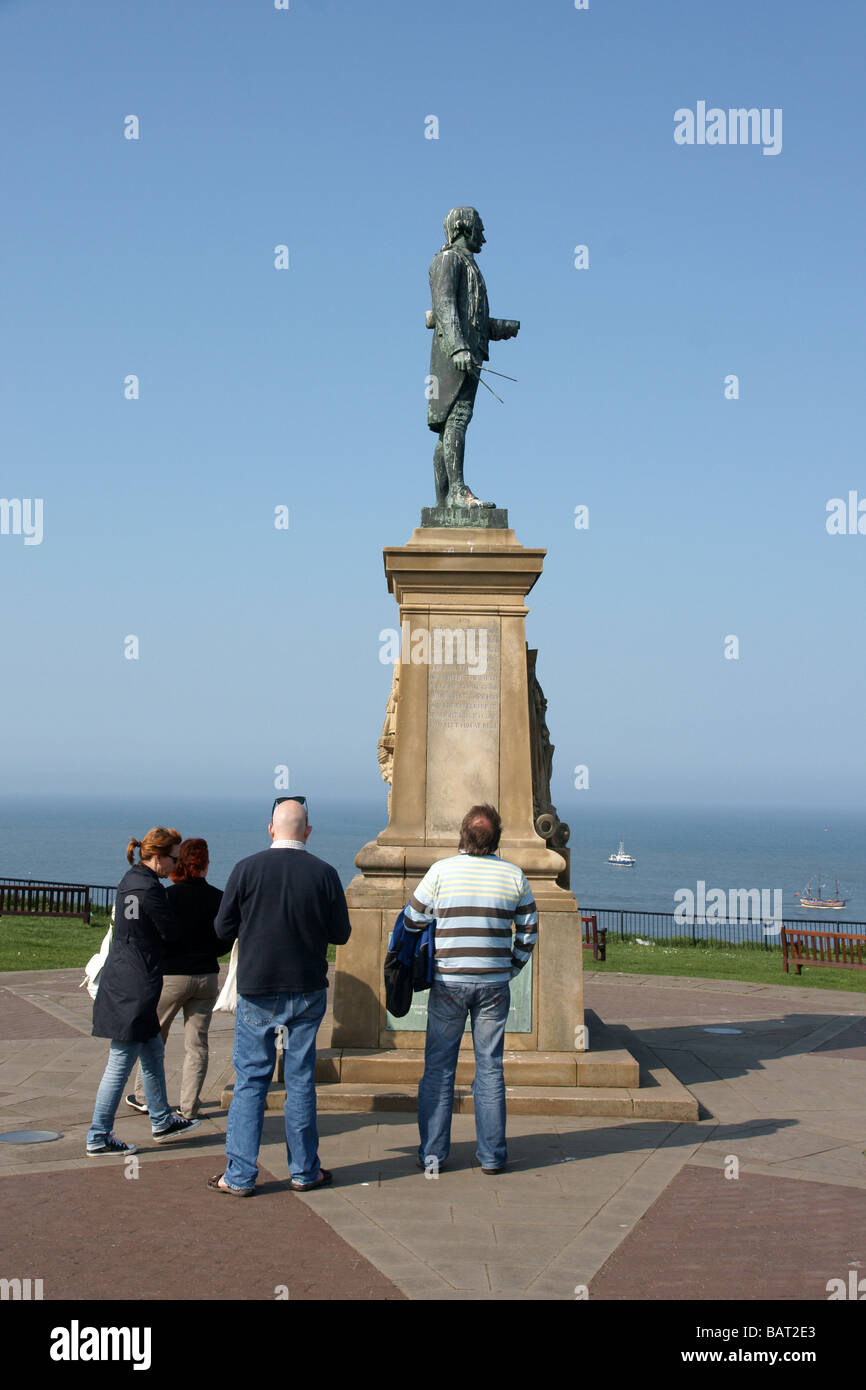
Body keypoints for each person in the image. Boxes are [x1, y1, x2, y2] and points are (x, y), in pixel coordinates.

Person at [208, 797, 351, 1196]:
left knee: (251, 1081)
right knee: (301, 1080)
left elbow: (222, 929)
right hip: (306, 988)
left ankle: (238, 1176)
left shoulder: (246, 869)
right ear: (307, 831)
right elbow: (341, 934)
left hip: (258, 989)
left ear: (271, 829)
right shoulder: (325, 873)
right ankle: (305, 1171)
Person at [403, 804, 538, 1175]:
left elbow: (412, 918)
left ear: (462, 835)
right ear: (496, 838)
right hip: (494, 984)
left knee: (438, 1069)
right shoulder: (514, 876)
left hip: (448, 981)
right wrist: (510, 967)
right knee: (491, 1069)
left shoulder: (440, 872)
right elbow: (529, 931)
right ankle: (492, 1156)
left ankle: (432, 1153)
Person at [86, 827, 202, 1155]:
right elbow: (171, 933)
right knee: (120, 1060)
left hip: (125, 980)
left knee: (152, 1051)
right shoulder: (150, 890)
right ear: (156, 856)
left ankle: (162, 1120)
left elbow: (136, 930)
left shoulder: (130, 881)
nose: (176, 867)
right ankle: (98, 1134)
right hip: (135, 987)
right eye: (173, 860)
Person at [427, 207, 519, 508]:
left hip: (466, 352)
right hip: (454, 355)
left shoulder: (468, 265)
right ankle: (456, 492)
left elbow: (472, 317)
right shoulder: (449, 260)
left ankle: (444, 501)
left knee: (452, 423)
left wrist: (502, 328)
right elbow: (444, 307)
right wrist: (458, 348)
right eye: (480, 228)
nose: (483, 236)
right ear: (464, 228)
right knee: (456, 418)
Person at [125, 838, 223, 1120]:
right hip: (206, 976)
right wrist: (211, 951)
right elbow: (226, 933)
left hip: (171, 976)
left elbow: (156, 935)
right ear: (205, 864)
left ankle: (144, 1097)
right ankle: (189, 1106)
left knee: (154, 1038)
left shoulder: (167, 896)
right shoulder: (218, 897)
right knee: (197, 1044)